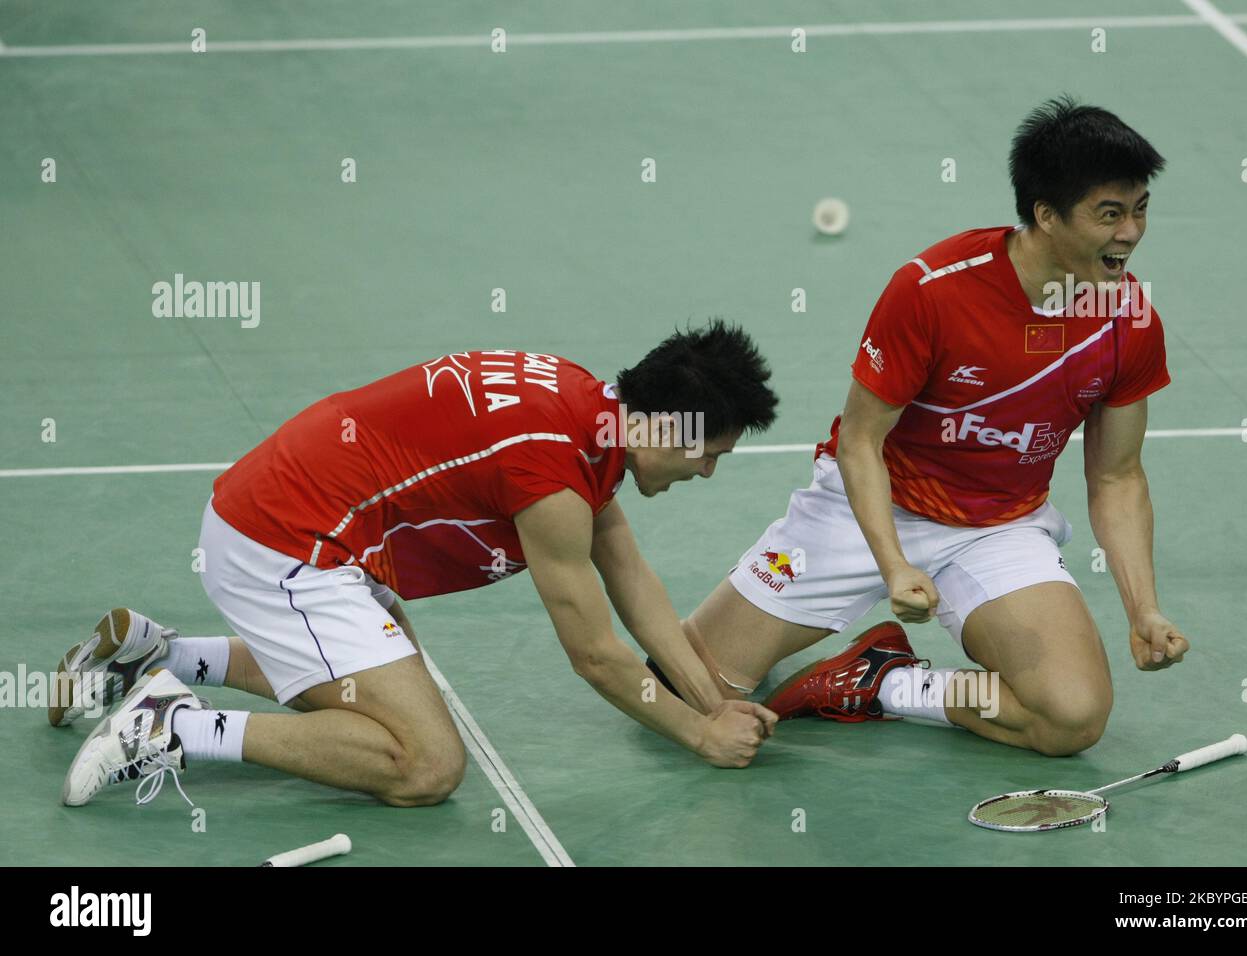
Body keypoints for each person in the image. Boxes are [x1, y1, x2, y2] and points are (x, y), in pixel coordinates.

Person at [652, 97, 1188, 757]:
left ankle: (883, 683)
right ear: (1046, 215)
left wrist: (1144, 609)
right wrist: (892, 563)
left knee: (1072, 717)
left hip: (999, 526)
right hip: (872, 504)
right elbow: (860, 441)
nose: (1131, 233)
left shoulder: (1127, 320)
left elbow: (1116, 473)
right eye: (1109, 214)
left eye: (1139, 210)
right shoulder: (933, 291)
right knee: (680, 687)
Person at [55, 322, 780, 807]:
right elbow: (595, 655)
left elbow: (629, 574)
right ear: (665, 424)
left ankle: (164, 656)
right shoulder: (554, 474)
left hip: (302, 514)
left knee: (371, 700)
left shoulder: (584, 402)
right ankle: (174, 730)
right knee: (423, 764)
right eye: (708, 453)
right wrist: (698, 736)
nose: (708, 472)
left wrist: (711, 701)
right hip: (289, 543)